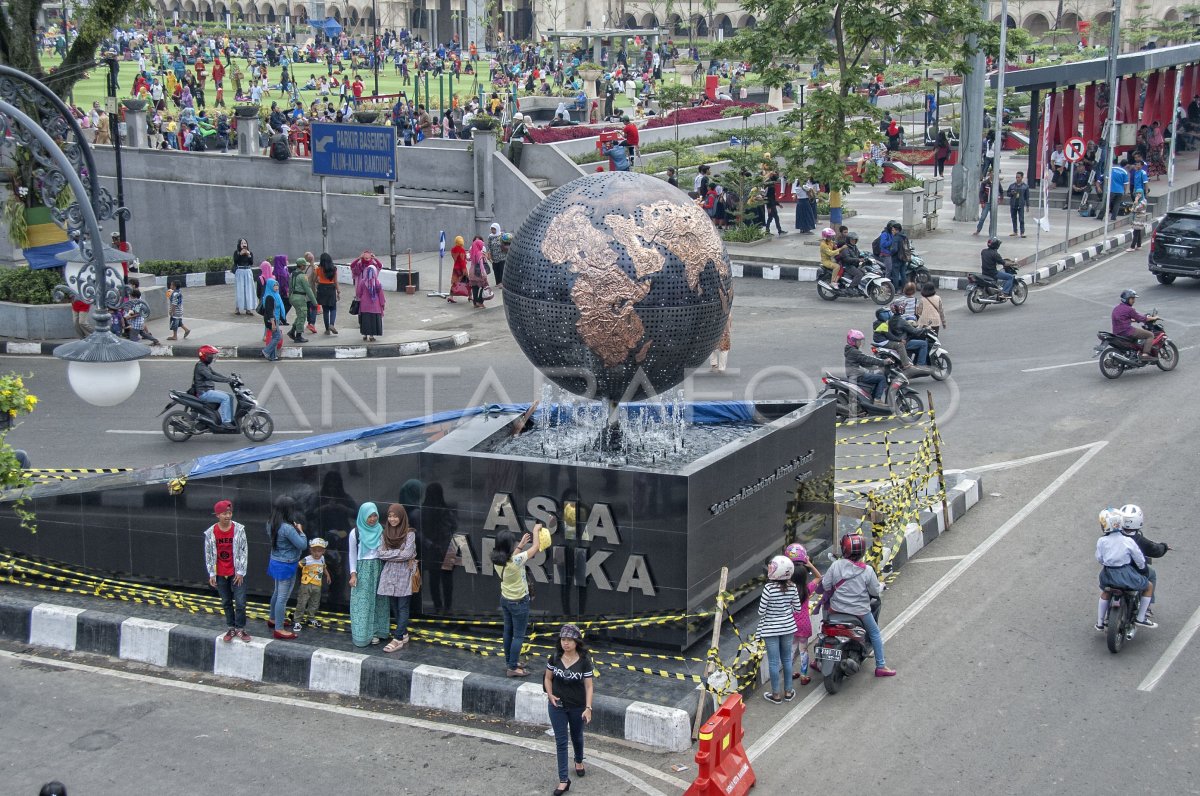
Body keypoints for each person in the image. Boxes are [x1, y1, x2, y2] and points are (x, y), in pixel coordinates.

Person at [823, 533, 895, 676]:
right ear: (862, 552)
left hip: (836, 609)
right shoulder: (867, 570)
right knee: (874, 633)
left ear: (844, 549)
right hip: (860, 611)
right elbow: (874, 591)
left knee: (824, 625)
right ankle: (881, 666)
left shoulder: (835, 565)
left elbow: (826, 585)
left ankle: (818, 660)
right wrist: (881, 586)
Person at [545, 623, 594, 795]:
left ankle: (579, 760)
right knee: (561, 742)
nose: (565, 643)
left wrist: (588, 708)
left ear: (576, 642)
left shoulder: (584, 662)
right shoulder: (555, 657)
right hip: (557, 706)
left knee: (577, 736)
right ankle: (563, 780)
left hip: (577, 706)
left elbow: (589, 686)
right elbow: (548, 678)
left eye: (569, 640)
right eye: (563, 639)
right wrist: (550, 695)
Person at [492, 521, 545, 677]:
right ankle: (513, 667)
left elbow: (512, 556)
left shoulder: (498, 559)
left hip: (505, 599)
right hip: (518, 602)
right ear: (509, 546)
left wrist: (521, 545)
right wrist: (536, 530)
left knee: (508, 631)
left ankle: (510, 662)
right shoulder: (515, 561)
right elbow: (535, 549)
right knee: (519, 635)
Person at [1095, 508, 1157, 631]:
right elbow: (1139, 558)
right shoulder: (1127, 541)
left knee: (1105, 593)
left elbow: (1099, 558)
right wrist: (1143, 569)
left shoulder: (1101, 541)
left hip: (1107, 575)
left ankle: (1100, 623)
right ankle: (1141, 618)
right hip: (1125, 573)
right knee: (1149, 586)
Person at [204, 499, 250, 642]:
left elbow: (244, 551)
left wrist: (240, 571)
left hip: (236, 572)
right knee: (226, 601)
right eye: (224, 513)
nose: (228, 516)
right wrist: (211, 573)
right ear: (217, 515)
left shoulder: (239, 530)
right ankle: (231, 627)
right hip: (220, 572)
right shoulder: (211, 532)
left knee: (241, 602)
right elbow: (209, 553)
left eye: (230, 513)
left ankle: (240, 629)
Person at [758, 555, 801, 704]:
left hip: (770, 630)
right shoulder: (793, 587)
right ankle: (788, 692)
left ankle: (776, 694)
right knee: (787, 660)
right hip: (788, 627)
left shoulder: (768, 588)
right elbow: (797, 608)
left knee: (774, 663)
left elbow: (761, 611)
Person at [377, 504, 417, 652]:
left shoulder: (409, 533)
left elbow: (408, 554)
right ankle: (404, 633)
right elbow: (380, 553)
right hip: (389, 574)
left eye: (395, 516)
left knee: (403, 606)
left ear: (402, 516)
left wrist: (391, 554)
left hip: (404, 574)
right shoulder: (385, 533)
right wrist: (398, 553)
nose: (392, 519)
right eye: (390, 516)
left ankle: (398, 639)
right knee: (394, 606)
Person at [349, 502, 391, 647]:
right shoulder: (355, 532)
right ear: (363, 516)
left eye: (375, 515)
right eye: (369, 516)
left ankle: (377, 632)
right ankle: (363, 634)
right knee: (362, 603)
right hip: (363, 569)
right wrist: (353, 574)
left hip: (379, 567)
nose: (373, 519)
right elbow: (352, 554)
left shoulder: (381, 530)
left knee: (380, 601)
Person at [266, 495, 308, 640]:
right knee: (282, 598)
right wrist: (301, 531)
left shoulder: (270, 523)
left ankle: (272, 619)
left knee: (277, 592)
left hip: (276, 562)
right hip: (287, 564)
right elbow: (302, 545)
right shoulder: (287, 528)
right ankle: (279, 628)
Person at [1118, 503, 1168, 613]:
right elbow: (1156, 551)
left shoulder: (1113, 536)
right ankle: (1146, 608)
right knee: (1152, 574)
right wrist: (1164, 547)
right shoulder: (1140, 541)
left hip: (1114, 571)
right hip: (1134, 571)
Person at [784, 543, 822, 685]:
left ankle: (789, 674)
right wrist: (809, 564)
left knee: (791, 652)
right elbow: (819, 577)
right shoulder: (807, 589)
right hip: (804, 626)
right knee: (803, 650)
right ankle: (804, 675)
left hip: (791, 626)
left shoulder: (787, 591)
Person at [421, 482, 458, 613]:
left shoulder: (424, 510)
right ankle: (448, 606)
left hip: (432, 550)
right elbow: (454, 527)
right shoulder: (446, 510)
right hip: (447, 549)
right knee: (447, 580)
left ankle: (438, 606)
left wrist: (430, 544)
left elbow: (422, 531)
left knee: (434, 580)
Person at [293, 537, 330, 631]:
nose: (316, 553)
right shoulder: (307, 559)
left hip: (317, 585)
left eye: (319, 551)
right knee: (302, 602)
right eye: (314, 550)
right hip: (306, 584)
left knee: (315, 602)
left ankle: (311, 617)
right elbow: (297, 565)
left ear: (323, 551)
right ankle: (297, 621)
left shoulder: (322, 559)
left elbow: (324, 567)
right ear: (310, 550)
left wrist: (328, 576)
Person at [192, 344, 234, 428]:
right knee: (225, 398)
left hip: (208, 390)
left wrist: (228, 378)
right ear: (205, 356)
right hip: (204, 393)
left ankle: (230, 419)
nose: (213, 357)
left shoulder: (205, 365)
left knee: (230, 396)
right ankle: (226, 422)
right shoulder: (201, 367)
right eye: (211, 355)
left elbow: (215, 373)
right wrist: (226, 380)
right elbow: (211, 377)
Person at [845, 328, 888, 408]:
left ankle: (871, 397)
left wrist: (874, 367)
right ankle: (877, 400)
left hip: (853, 374)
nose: (860, 343)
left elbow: (863, 362)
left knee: (876, 374)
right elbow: (867, 359)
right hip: (857, 375)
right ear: (853, 341)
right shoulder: (854, 352)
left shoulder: (850, 350)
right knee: (881, 378)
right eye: (858, 341)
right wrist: (883, 362)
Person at [1112, 289, 1159, 360]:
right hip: (1127, 332)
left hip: (1117, 333)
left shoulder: (1116, 309)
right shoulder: (1129, 309)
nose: (1134, 301)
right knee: (1150, 335)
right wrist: (1154, 318)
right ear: (1127, 299)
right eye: (1132, 299)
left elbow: (1122, 319)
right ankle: (1145, 354)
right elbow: (1141, 318)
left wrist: (1133, 320)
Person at [288, 258, 317, 343]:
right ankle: (298, 336)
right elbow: (308, 289)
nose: (305, 266)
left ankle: (292, 331)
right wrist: (314, 302)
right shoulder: (302, 276)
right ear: (301, 266)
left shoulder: (292, 274)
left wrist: (290, 296)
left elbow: (289, 287)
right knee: (302, 316)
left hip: (293, 296)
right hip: (300, 298)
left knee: (299, 315)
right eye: (304, 265)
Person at [355, 262, 386, 342]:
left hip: (364, 306)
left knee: (365, 320)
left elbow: (358, 293)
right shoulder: (377, 283)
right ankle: (371, 336)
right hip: (375, 306)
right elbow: (381, 295)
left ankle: (365, 335)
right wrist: (382, 304)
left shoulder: (362, 282)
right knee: (373, 321)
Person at [259, 278, 285, 361]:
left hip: (275, 318)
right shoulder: (269, 297)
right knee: (277, 337)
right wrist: (273, 323)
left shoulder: (274, 295)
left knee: (274, 337)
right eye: (274, 286)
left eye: (277, 285)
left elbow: (277, 309)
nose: (276, 287)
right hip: (271, 320)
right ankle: (266, 351)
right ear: (270, 286)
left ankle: (272, 356)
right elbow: (269, 312)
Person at [315, 252, 340, 334]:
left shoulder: (318, 269)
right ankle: (331, 324)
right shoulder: (334, 269)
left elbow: (315, 280)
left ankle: (327, 329)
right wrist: (338, 291)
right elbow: (335, 281)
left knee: (325, 310)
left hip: (322, 288)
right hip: (331, 289)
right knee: (333, 308)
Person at [233, 238, 256, 315]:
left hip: (248, 271)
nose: (244, 244)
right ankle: (237, 308)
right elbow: (235, 261)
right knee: (240, 290)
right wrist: (240, 254)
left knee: (248, 290)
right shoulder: (236, 253)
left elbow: (251, 262)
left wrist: (249, 255)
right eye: (242, 243)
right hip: (240, 272)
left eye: (245, 243)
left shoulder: (250, 253)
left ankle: (248, 308)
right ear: (239, 244)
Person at [467, 236, 491, 308]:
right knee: (484, 286)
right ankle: (480, 302)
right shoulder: (479, 253)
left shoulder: (472, 251)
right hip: (478, 272)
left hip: (472, 271)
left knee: (475, 287)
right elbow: (481, 265)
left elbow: (468, 258)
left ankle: (475, 303)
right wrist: (484, 274)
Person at [1007, 171, 1029, 237]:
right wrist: (1011, 193)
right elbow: (1008, 194)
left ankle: (1022, 232)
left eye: (1018, 177)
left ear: (1022, 177)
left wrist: (1027, 205)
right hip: (1013, 204)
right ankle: (1015, 231)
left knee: (1021, 219)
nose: (1017, 178)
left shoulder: (1025, 186)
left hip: (1021, 205)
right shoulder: (1012, 185)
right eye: (1016, 177)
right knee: (1014, 218)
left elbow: (1027, 197)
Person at [449, 234, 468, 303]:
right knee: (467, 281)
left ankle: (451, 296)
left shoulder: (453, 249)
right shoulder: (462, 250)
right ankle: (470, 296)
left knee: (454, 282)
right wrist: (464, 270)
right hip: (461, 268)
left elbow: (455, 259)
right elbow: (462, 261)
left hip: (455, 267)